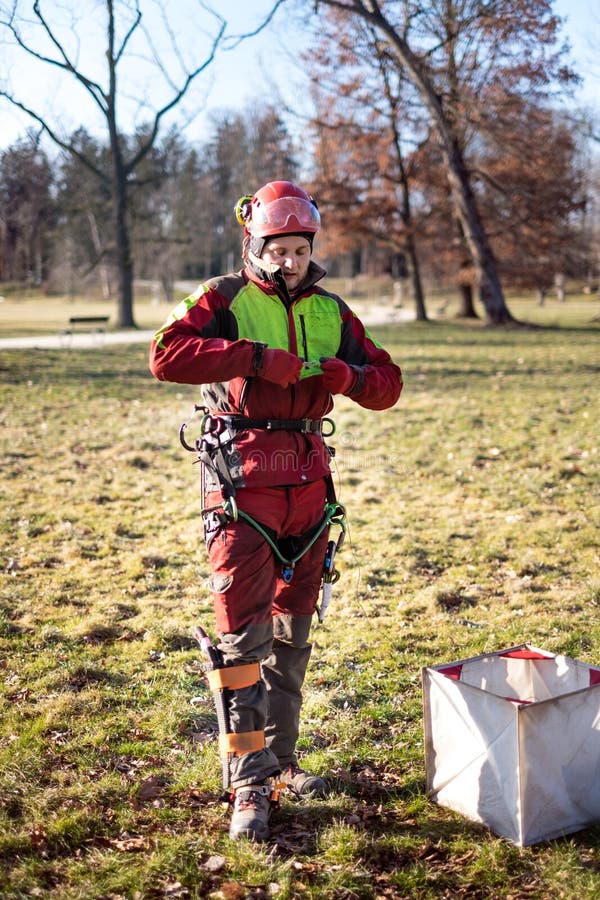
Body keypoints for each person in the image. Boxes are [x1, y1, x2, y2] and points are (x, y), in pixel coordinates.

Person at [149, 180, 403, 841]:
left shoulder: (331, 310)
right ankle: (248, 787)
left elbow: (388, 383)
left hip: (310, 490)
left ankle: (283, 764)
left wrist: (347, 379)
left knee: (292, 636)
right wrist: (256, 358)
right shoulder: (223, 300)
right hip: (239, 484)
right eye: (277, 248)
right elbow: (165, 353)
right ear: (252, 245)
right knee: (241, 640)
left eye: (299, 248)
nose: (289, 260)